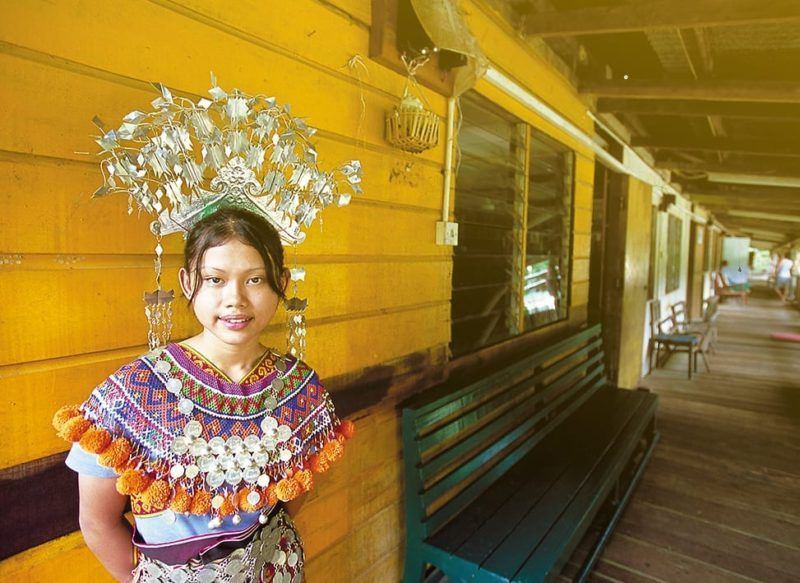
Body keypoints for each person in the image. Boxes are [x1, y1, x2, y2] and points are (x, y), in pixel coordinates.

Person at [53, 207, 354, 582]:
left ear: (283, 281)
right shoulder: (131, 393)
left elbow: (294, 493)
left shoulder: (300, 389)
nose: (235, 299)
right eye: (214, 279)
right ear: (186, 282)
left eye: (256, 279)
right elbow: (96, 521)